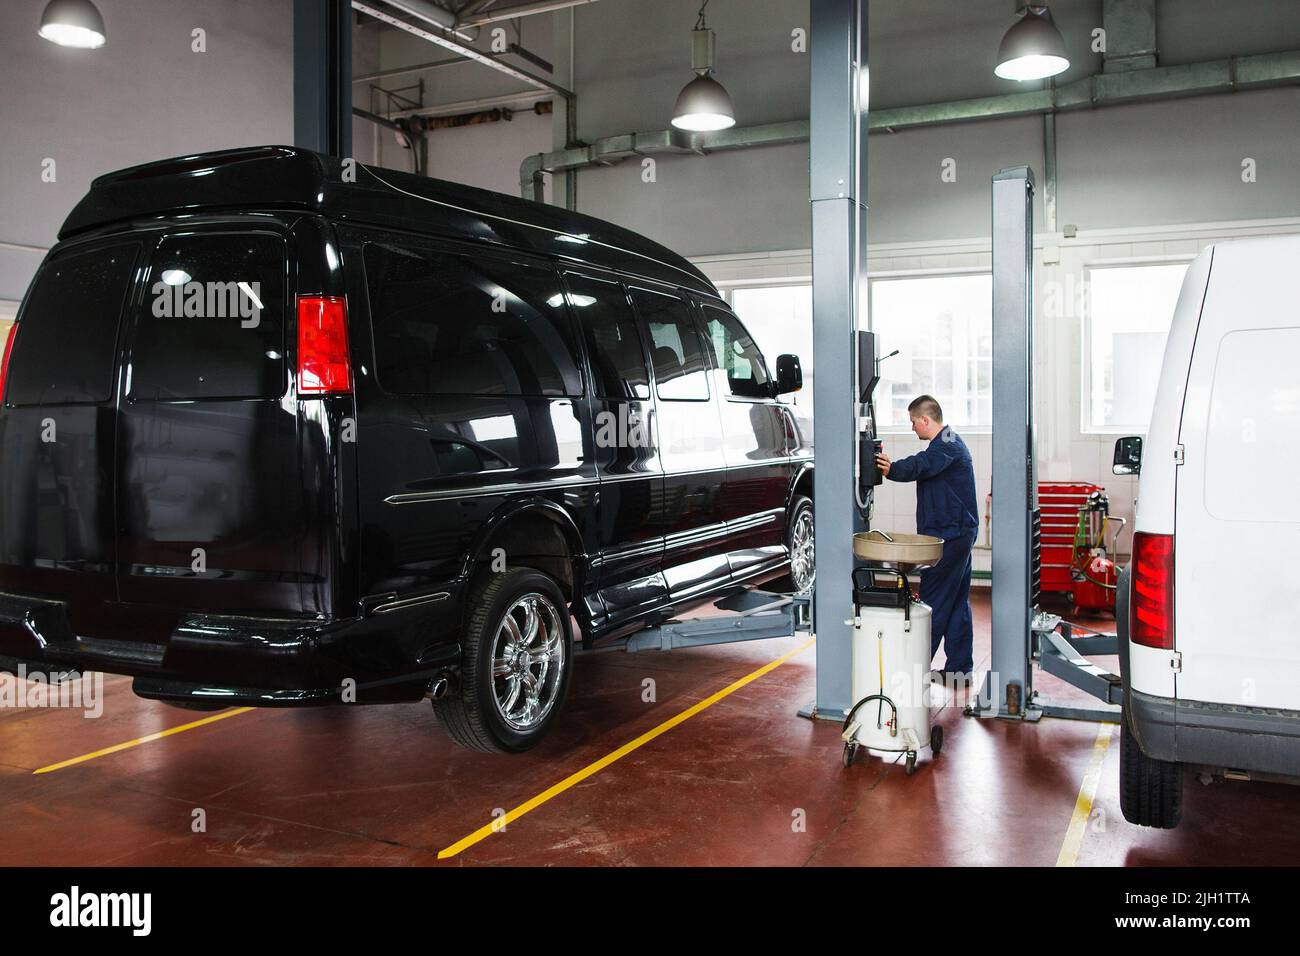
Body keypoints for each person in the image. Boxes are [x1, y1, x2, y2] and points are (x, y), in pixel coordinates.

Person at [874, 395, 979, 680]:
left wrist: (891, 468)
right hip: (956, 532)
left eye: (912, 422)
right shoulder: (947, 442)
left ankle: (915, 668)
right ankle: (959, 669)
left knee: (932, 601)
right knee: (956, 601)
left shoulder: (947, 444)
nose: (912, 428)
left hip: (951, 535)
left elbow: (922, 464)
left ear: (925, 419)